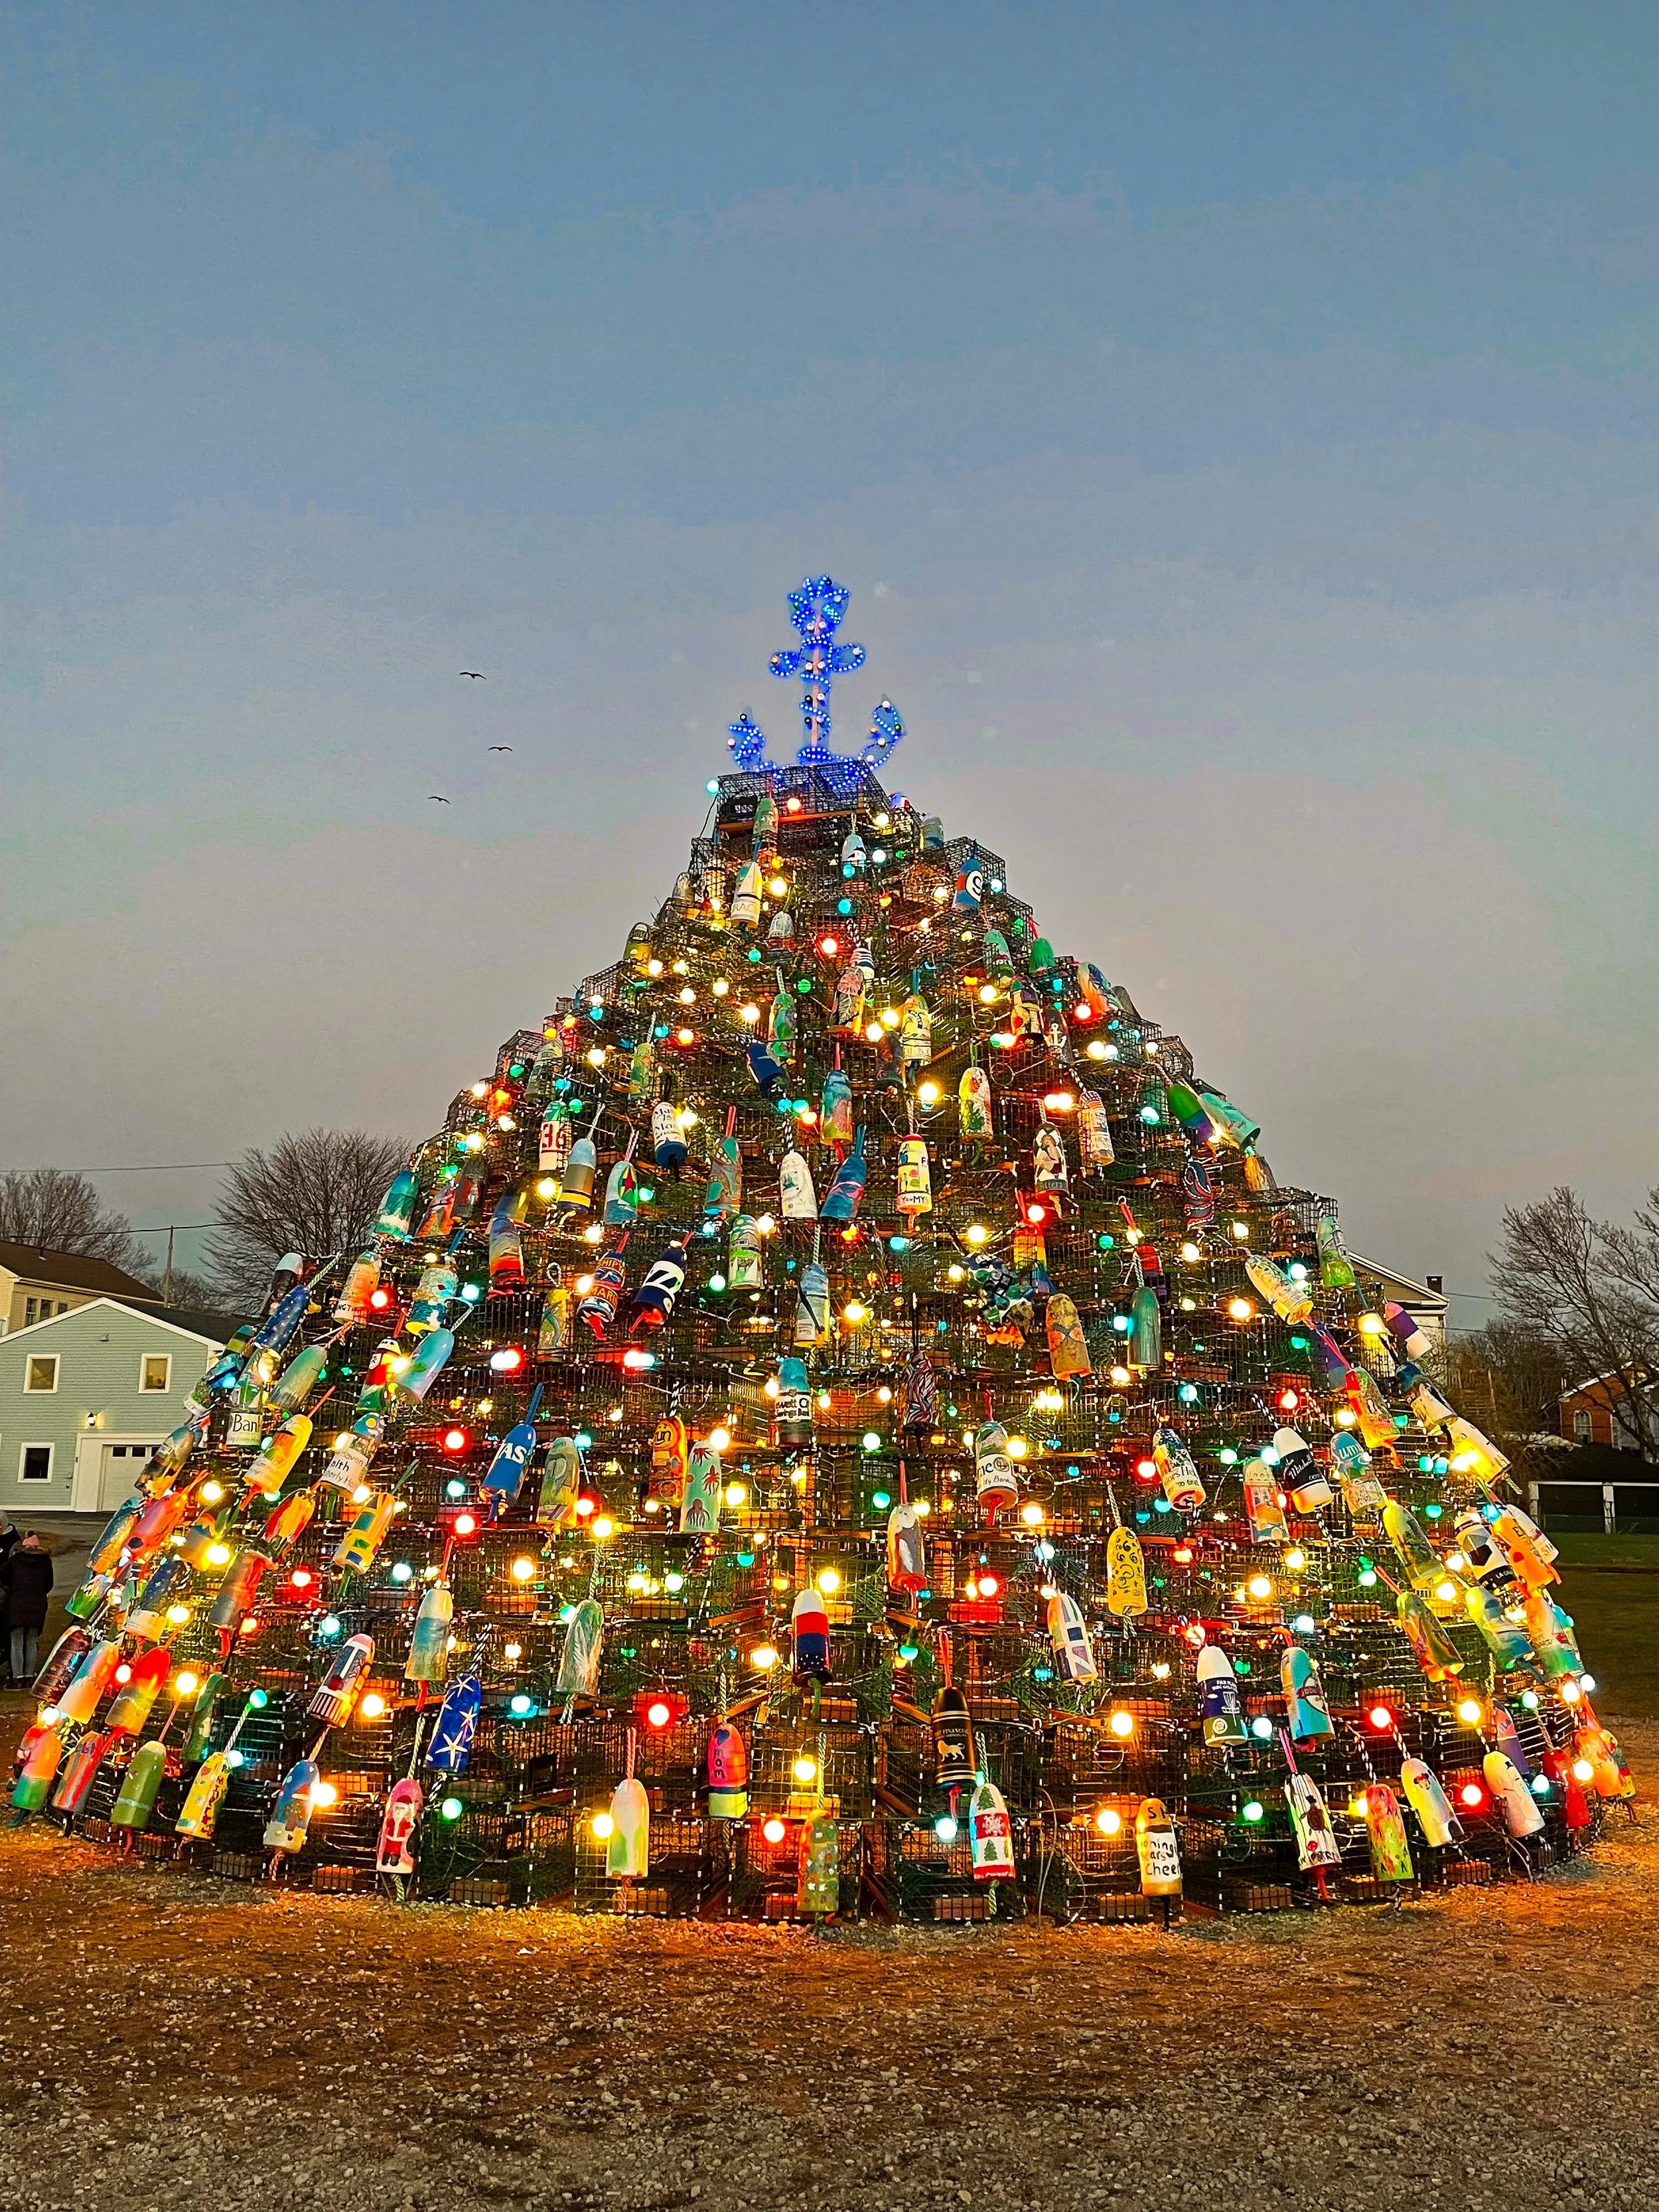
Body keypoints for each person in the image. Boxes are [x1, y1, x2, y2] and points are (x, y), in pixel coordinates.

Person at [1, 1533, 54, 1685]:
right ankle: (29, 1675)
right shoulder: (46, 1562)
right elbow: (49, 1584)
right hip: (37, 1606)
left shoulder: (14, 1561)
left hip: (16, 1605)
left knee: (16, 1642)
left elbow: (3, 1576)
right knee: (32, 1641)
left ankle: (17, 1677)